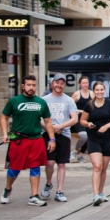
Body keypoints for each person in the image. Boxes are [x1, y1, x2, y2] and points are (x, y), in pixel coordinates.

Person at [0, 75, 57, 207]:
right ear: (23, 86)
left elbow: (47, 121)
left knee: (35, 167)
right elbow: (3, 117)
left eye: (34, 85)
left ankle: (34, 196)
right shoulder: (14, 101)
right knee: (14, 169)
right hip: (19, 140)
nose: (31, 88)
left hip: (36, 139)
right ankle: (7, 189)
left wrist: (52, 139)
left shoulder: (41, 102)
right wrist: (4, 134)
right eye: (29, 85)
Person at [79, 81, 110, 206]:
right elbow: (82, 120)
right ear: (94, 91)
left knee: (103, 168)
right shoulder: (89, 105)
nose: (99, 92)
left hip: (107, 139)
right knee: (97, 166)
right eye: (97, 90)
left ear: (105, 90)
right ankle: (95, 194)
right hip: (93, 139)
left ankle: (102, 192)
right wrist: (87, 124)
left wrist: (107, 126)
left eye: (101, 89)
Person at [42, 75, 80, 203]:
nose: (59, 85)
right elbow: (38, 118)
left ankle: (59, 191)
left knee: (62, 163)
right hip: (48, 134)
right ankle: (48, 183)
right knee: (50, 162)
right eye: (57, 82)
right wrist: (50, 128)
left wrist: (60, 126)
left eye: (62, 83)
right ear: (52, 84)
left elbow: (74, 118)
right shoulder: (44, 99)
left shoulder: (69, 100)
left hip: (64, 135)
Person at [71, 76, 93, 163]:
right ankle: (75, 151)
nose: (85, 85)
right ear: (80, 84)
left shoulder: (92, 94)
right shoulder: (76, 94)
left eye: (87, 83)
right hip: (79, 118)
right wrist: (80, 111)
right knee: (84, 136)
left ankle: (81, 155)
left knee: (89, 137)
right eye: (83, 83)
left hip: (89, 118)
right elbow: (70, 107)